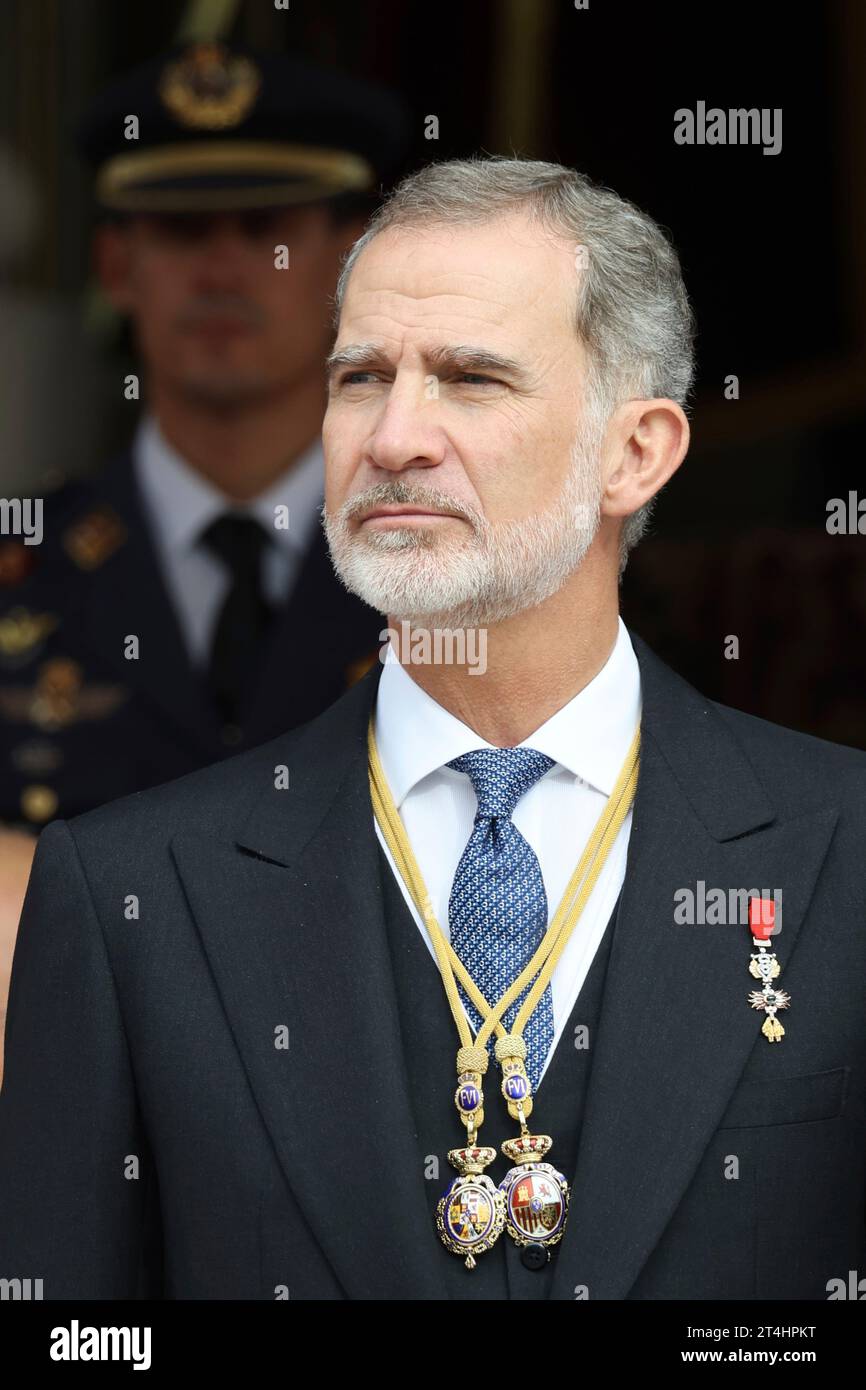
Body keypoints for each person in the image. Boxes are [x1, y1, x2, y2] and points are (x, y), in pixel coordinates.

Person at [1, 156, 863, 1301]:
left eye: (469, 378)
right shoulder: (125, 890)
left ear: (635, 450)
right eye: (360, 376)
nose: (393, 435)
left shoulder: (842, 847)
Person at [0, 41, 409, 834]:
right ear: (117, 267)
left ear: (353, 265)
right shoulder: (20, 571)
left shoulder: (459, 573)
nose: (222, 272)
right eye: (183, 231)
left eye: (265, 230)